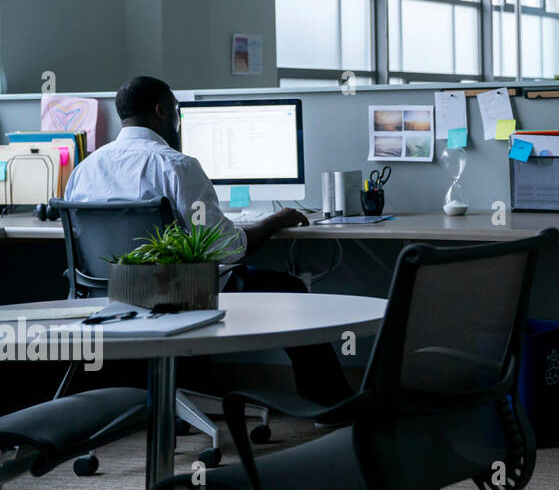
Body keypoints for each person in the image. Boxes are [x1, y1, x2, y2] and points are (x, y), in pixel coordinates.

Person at [64, 76, 352, 406]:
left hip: (112, 294)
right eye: (175, 111)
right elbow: (225, 250)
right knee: (293, 291)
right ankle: (332, 403)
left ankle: (188, 390)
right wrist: (275, 221)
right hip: (177, 293)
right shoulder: (176, 165)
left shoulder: (83, 170)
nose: (177, 120)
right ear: (161, 111)